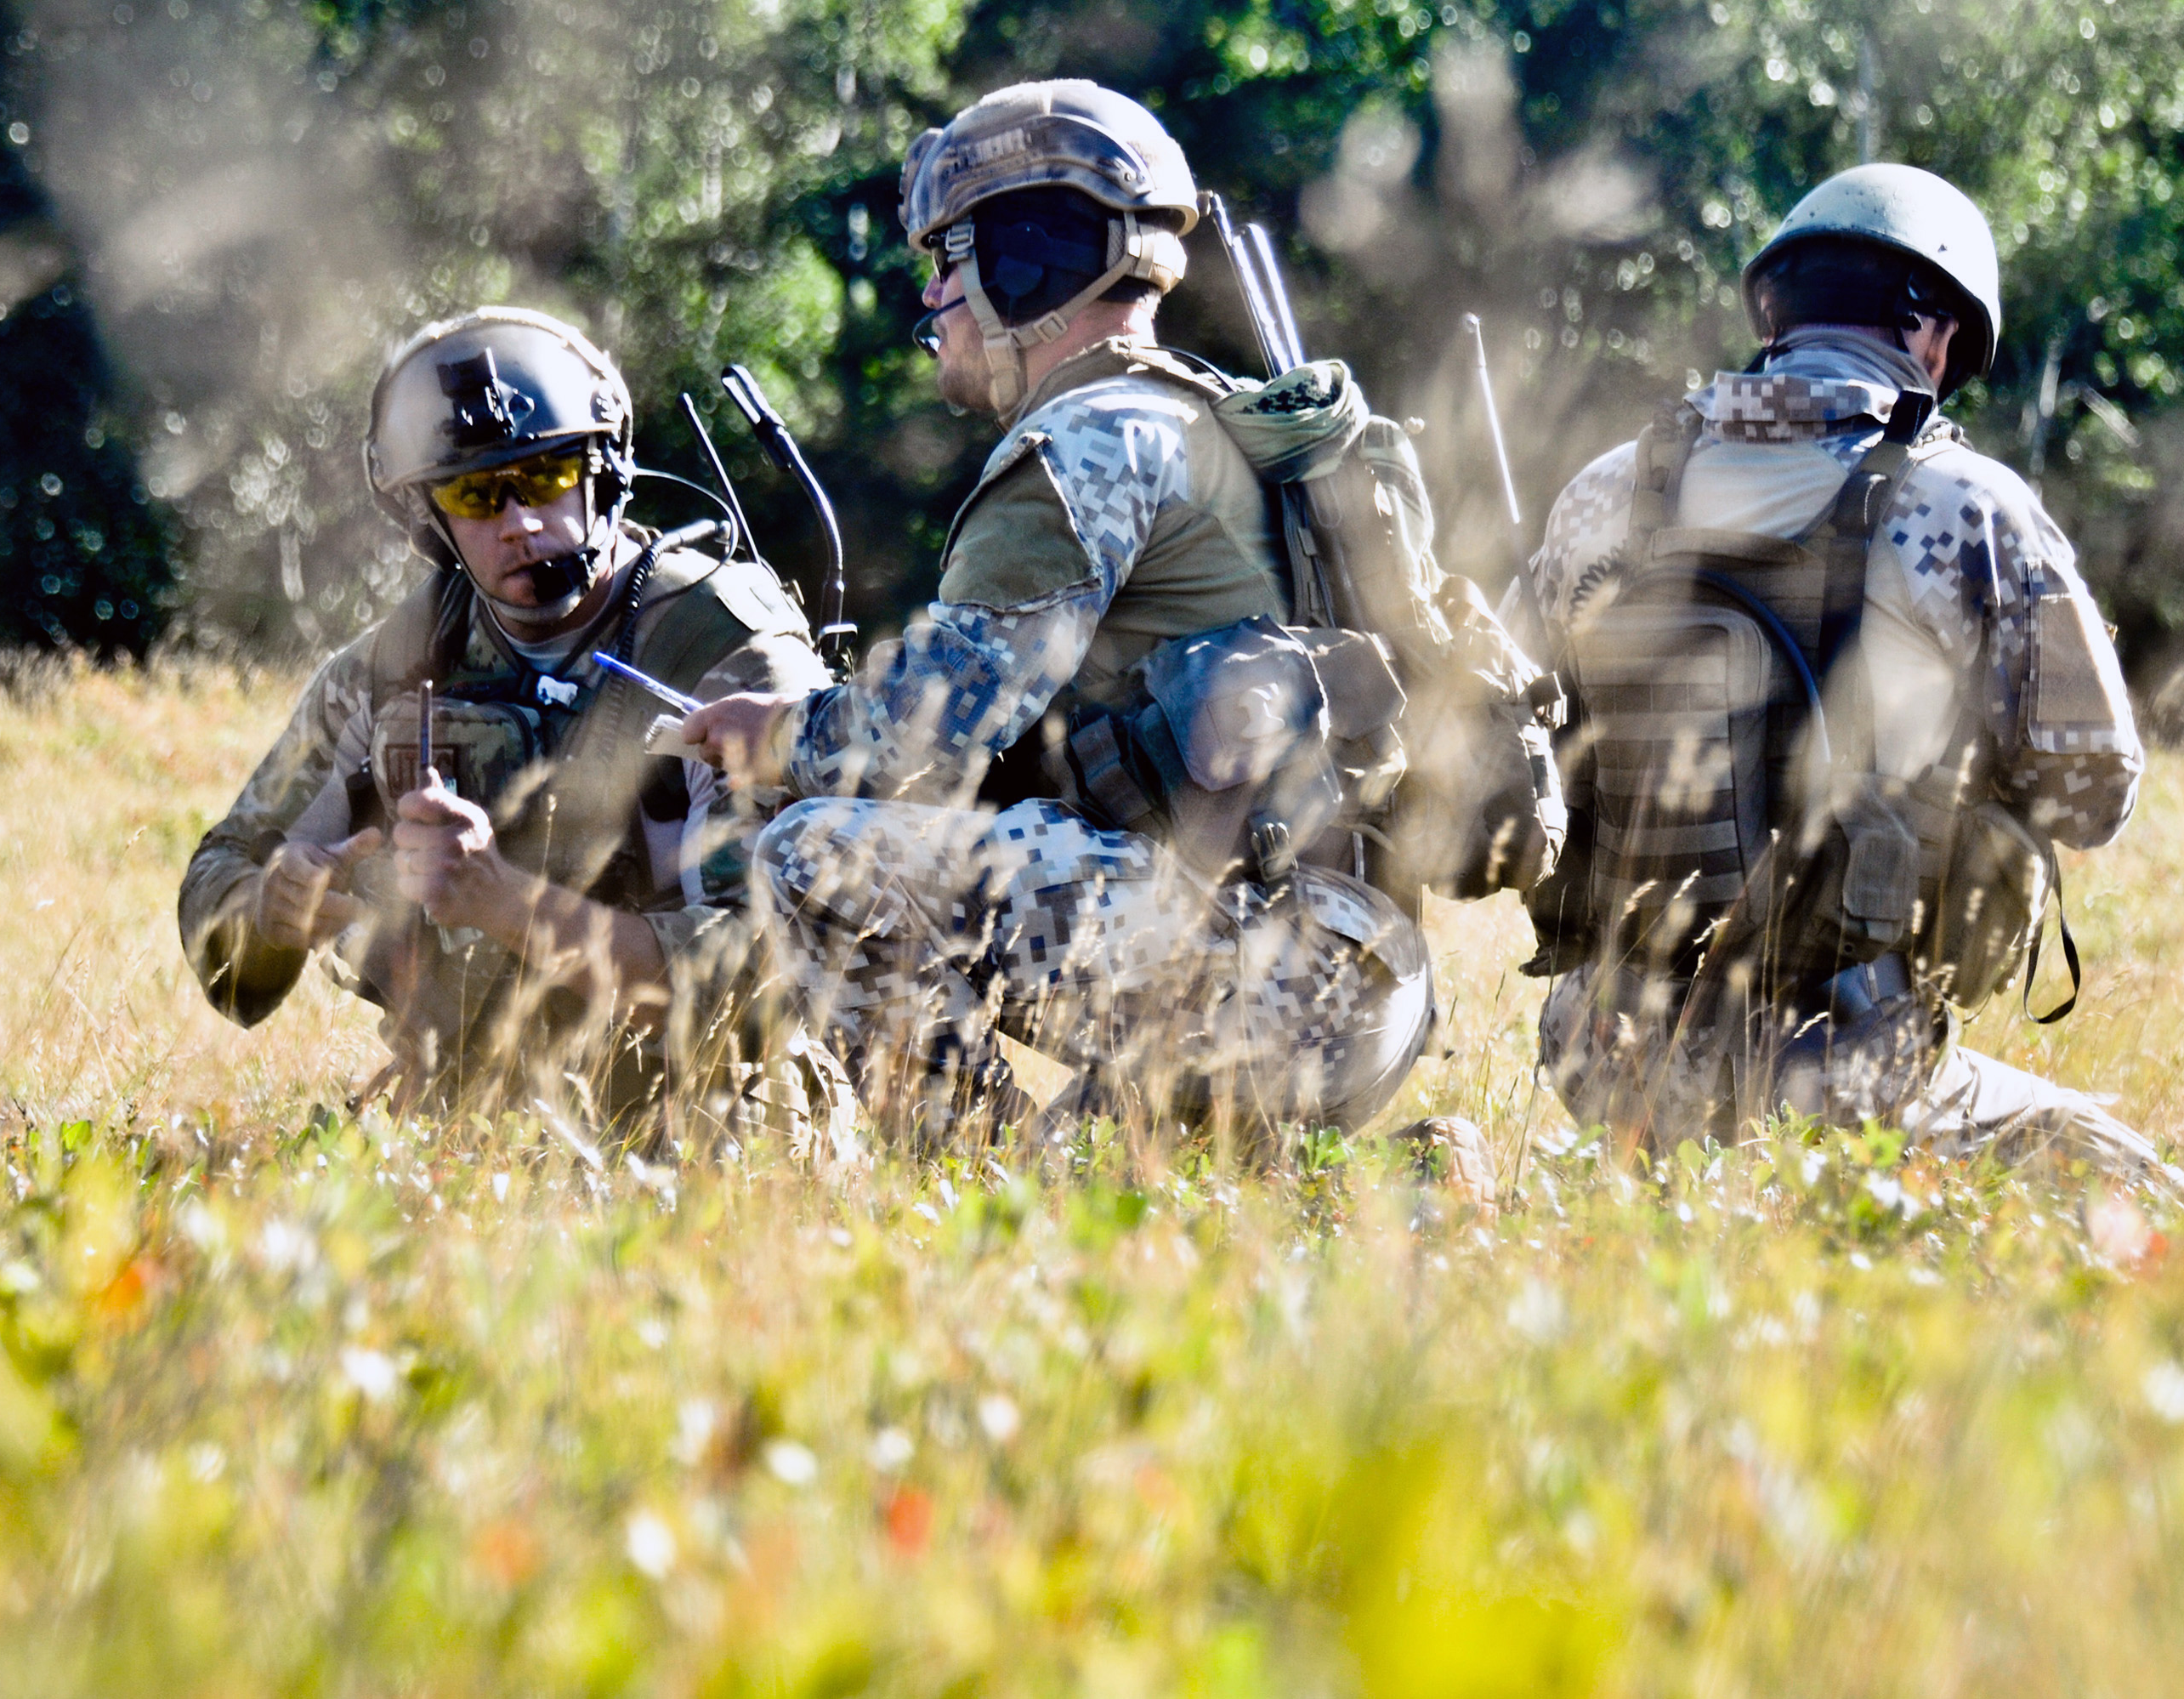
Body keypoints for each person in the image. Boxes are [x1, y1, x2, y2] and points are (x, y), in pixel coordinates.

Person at [683, 81, 1437, 1141]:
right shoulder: (1201, 417)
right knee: (1100, 1198)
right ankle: (1397, 1180)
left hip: (1256, 966)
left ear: (1022, 258)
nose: (934, 297)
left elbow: (917, 740)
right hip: (1346, 974)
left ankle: (953, 1175)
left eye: (947, 260)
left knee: (812, 850)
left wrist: (776, 733)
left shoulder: (1086, 444)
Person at [1516, 162, 2170, 1180]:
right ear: (1937, 333)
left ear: (1774, 306)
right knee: (2138, 1191)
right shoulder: (1968, 503)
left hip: (1603, 1047)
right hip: (1840, 1065)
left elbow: (1519, 750)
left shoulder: (1602, 493)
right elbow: (2094, 797)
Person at [179, 307, 827, 1115]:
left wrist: (504, 901)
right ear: (431, 519)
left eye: (549, 476)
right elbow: (220, 883)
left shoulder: (724, 652)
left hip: (716, 1124)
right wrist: (271, 912)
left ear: (604, 472)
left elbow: (771, 980)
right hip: (466, 1121)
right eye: (475, 494)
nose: (519, 522)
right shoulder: (399, 663)